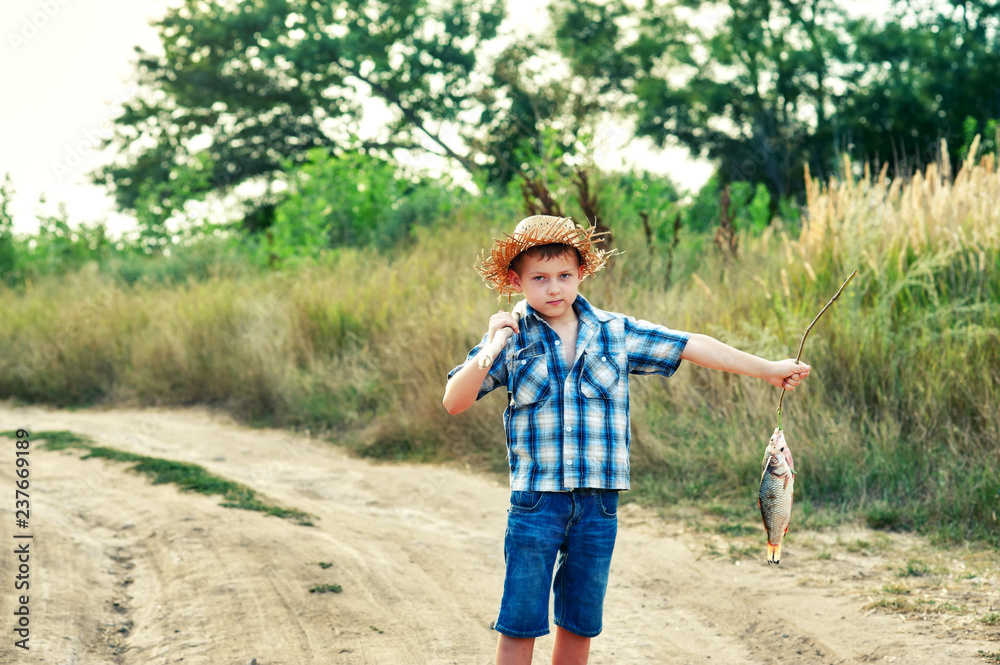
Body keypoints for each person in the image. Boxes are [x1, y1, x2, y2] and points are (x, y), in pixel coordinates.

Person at [442, 215, 810, 665]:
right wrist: (491, 346)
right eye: (539, 278)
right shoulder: (510, 341)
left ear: (582, 273)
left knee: (579, 621)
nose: (554, 288)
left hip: (598, 504)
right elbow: (454, 401)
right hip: (535, 503)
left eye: (564, 276)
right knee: (520, 620)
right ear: (516, 281)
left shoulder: (615, 332)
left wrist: (767, 368)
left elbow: (690, 344)